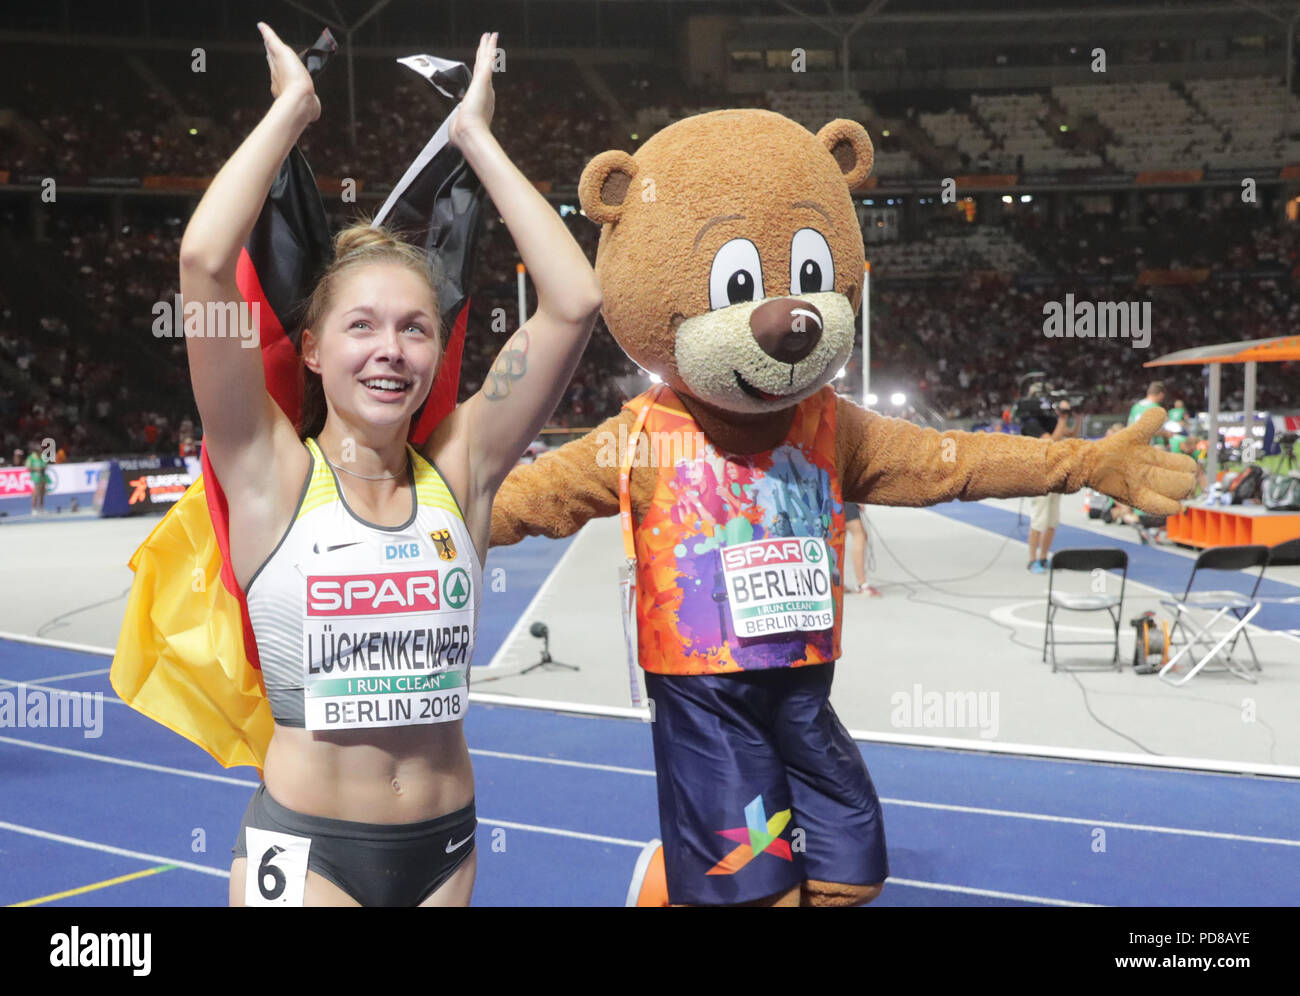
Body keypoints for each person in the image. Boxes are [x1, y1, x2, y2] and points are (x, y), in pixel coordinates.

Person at [182, 24, 601, 907]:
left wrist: (476, 138)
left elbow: (576, 300)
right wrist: (291, 113)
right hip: (310, 849)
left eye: (415, 327)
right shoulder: (268, 473)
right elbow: (205, 263)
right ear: (313, 348)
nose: (390, 350)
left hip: (446, 846)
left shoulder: (462, 469)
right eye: (361, 325)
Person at [1027, 399, 1077, 572]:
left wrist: (1077, 417)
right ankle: (1032, 560)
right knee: (1039, 519)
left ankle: (1043, 558)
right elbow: (1051, 442)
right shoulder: (1031, 424)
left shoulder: (1053, 422)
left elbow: (1072, 435)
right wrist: (1062, 419)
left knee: (1052, 521)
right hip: (1040, 477)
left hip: (1056, 476)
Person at [844, 502, 880, 596]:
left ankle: (836, 582)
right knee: (859, 534)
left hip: (832, 494)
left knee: (839, 536)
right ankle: (862, 584)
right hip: (845, 496)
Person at [24, 442, 48, 516]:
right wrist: (36, 469)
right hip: (36, 478)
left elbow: (45, 465)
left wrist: (43, 468)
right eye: (39, 451)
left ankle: (41, 508)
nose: (40, 452)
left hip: (43, 477)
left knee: (42, 494)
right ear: (36, 451)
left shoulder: (42, 457)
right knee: (35, 494)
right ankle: (33, 509)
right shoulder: (31, 458)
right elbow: (28, 468)